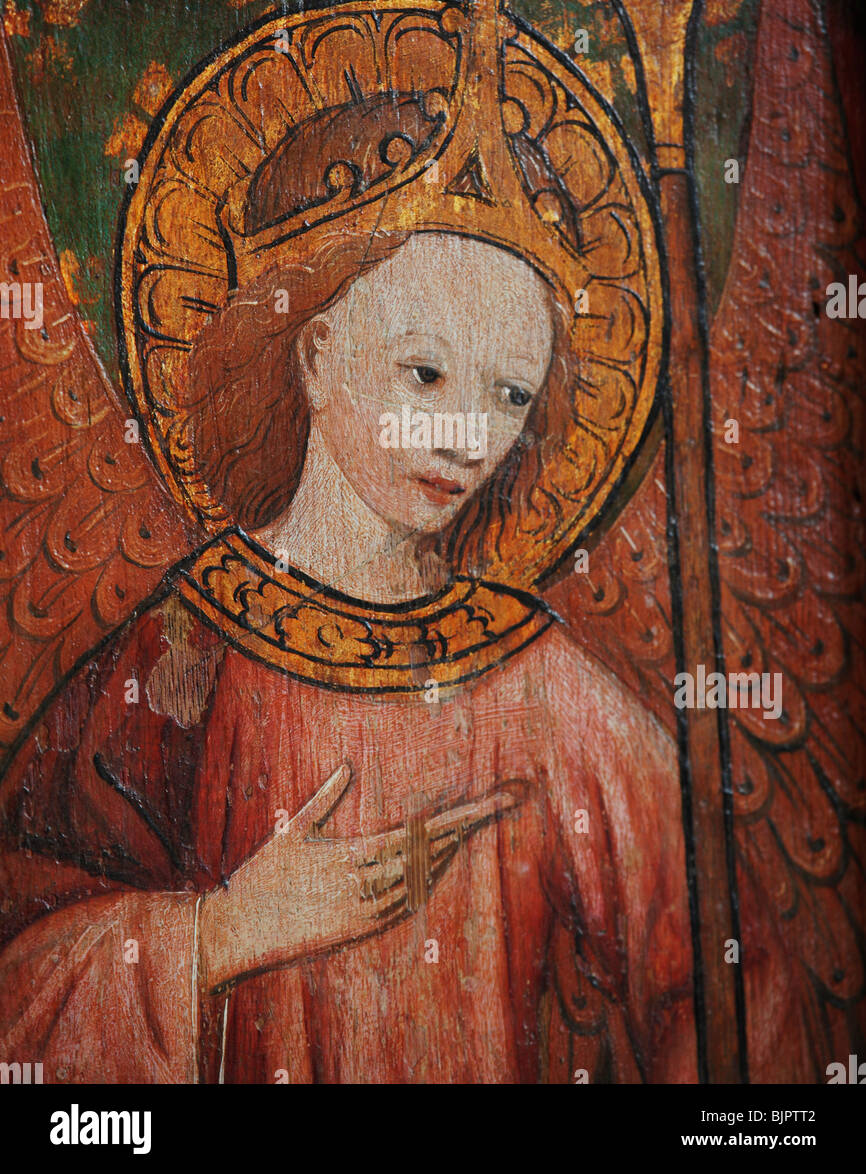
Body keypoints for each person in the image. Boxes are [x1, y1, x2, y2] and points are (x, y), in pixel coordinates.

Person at [0, 93, 807, 1085]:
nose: (467, 435)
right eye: (424, 372)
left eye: (508, 393)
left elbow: (733, 991)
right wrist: (223, 933)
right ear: (315, 351)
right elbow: (20, 971)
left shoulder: (544, 690)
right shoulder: (181, 647)